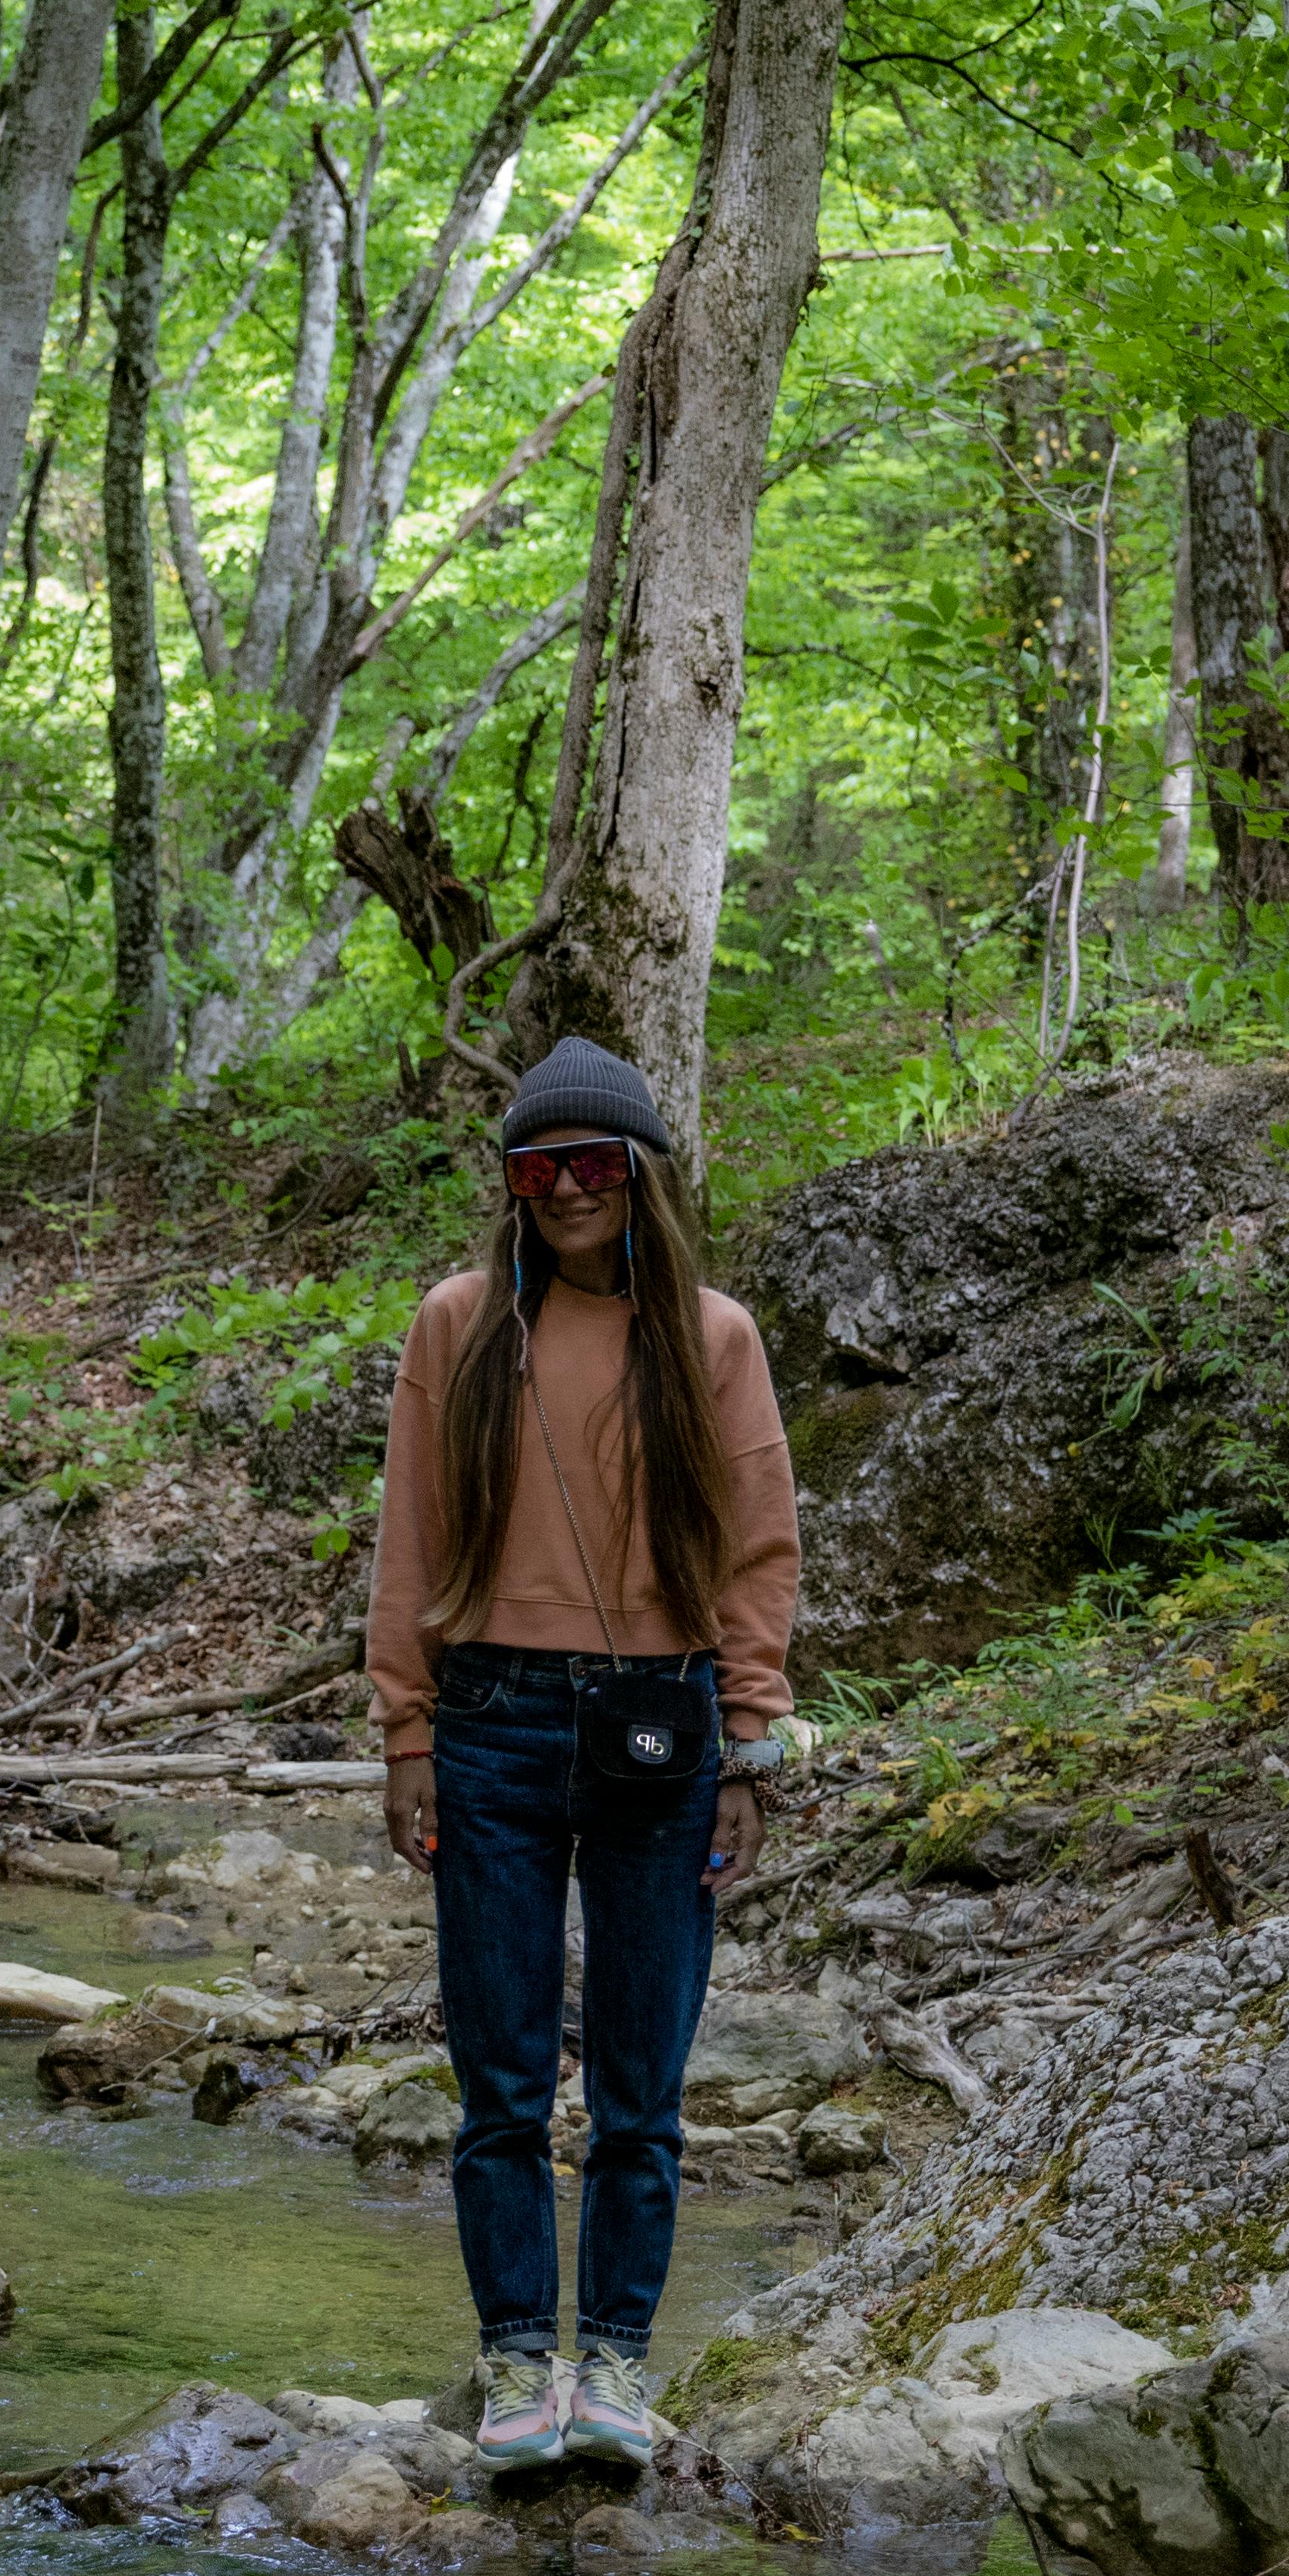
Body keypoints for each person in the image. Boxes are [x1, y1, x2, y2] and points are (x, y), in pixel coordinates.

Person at [363, 1036, 801, 2470]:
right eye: (535, 1165)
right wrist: (405, 1727)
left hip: (662, 1729)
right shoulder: (458, 1325)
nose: (563, 1188)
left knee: (639, 2091)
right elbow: (412, 1534)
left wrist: (749, 1745)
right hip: (486, 1723)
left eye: (591, 1162)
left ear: (641, 1178)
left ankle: (613, 2366)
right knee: (498, 2085)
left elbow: (755, 1554)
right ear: (510, 1182)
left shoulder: (712, 1338)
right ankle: (511, 2369)